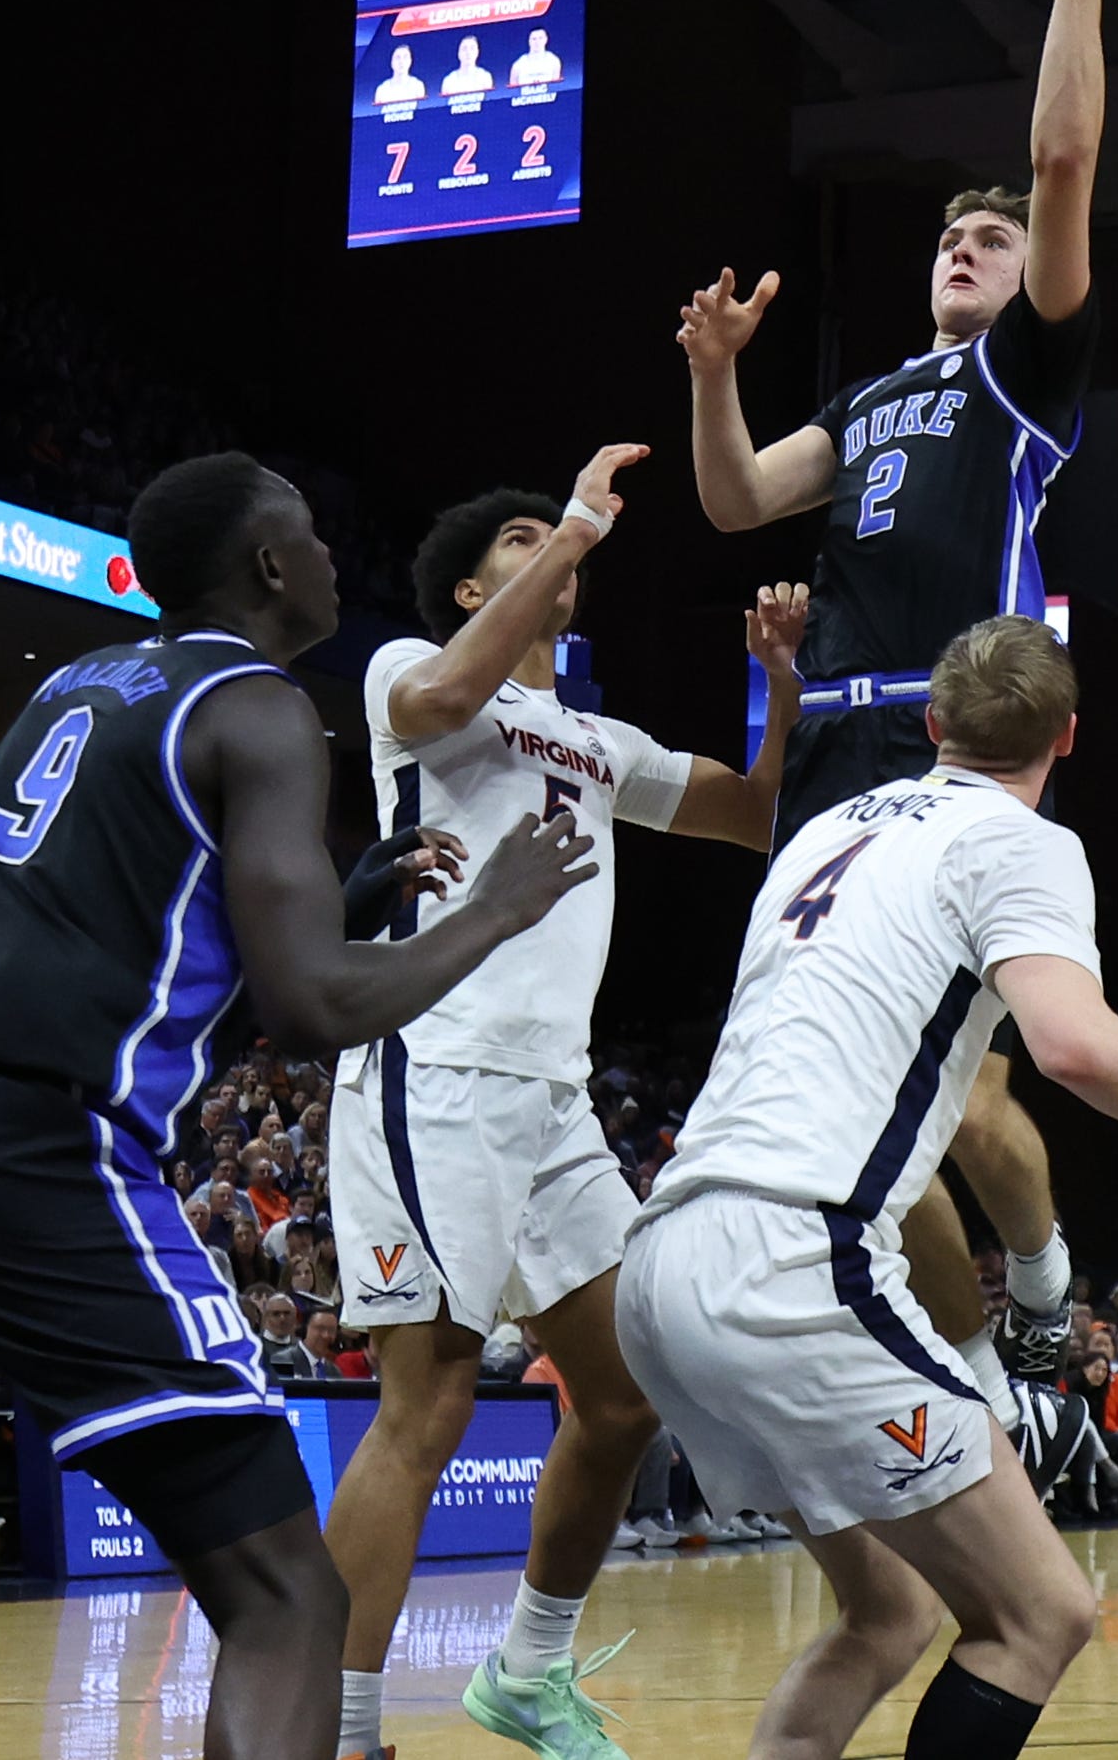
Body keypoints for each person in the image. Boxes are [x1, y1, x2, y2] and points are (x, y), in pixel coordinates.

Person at [0, 453, 593, 1755]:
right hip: (30, 1138)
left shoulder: (75, 681)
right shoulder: (256, 703)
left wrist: (349, 894)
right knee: (286, 1590)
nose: (334, 556)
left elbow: (106, 909)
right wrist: (497, 908)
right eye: (315, 532)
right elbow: (309, 1007)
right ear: (269, 565)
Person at [614, 616, 1118, 1760]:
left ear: (932, 726)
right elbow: (1072, 1048)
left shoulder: (820, 837)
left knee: (892, 1612)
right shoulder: (1023, 843)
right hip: (792, 1263)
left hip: (664, 1257)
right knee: (1040, 1615)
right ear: (1068, 737)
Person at [673, 0, 1118, 1479]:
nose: (965, 242)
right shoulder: (865, 399)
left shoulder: (1024, 383)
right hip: (827, 759)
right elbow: (729, 505)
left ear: (1029, 280)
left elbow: (1065, 154)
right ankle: (963, 1359)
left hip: (958, 751)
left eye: (991, 236)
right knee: (853, 1098)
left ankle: (1042, 1286)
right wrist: (714, 371)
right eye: (950, 232)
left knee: (975, 1098)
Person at [321, 445, 809, 1760]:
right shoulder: (407, 678)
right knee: (424, 1409)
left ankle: (526, 1671)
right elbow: (438, 692)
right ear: (476, 582)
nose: (565, 553)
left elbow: (755, 816)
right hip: (436, 1070)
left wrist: (777, 682)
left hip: (552, 1105)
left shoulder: (600, 740)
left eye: (567, 539)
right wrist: (581, 517)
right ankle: (339, 1728)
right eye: (527, 541)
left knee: (625, 1394)